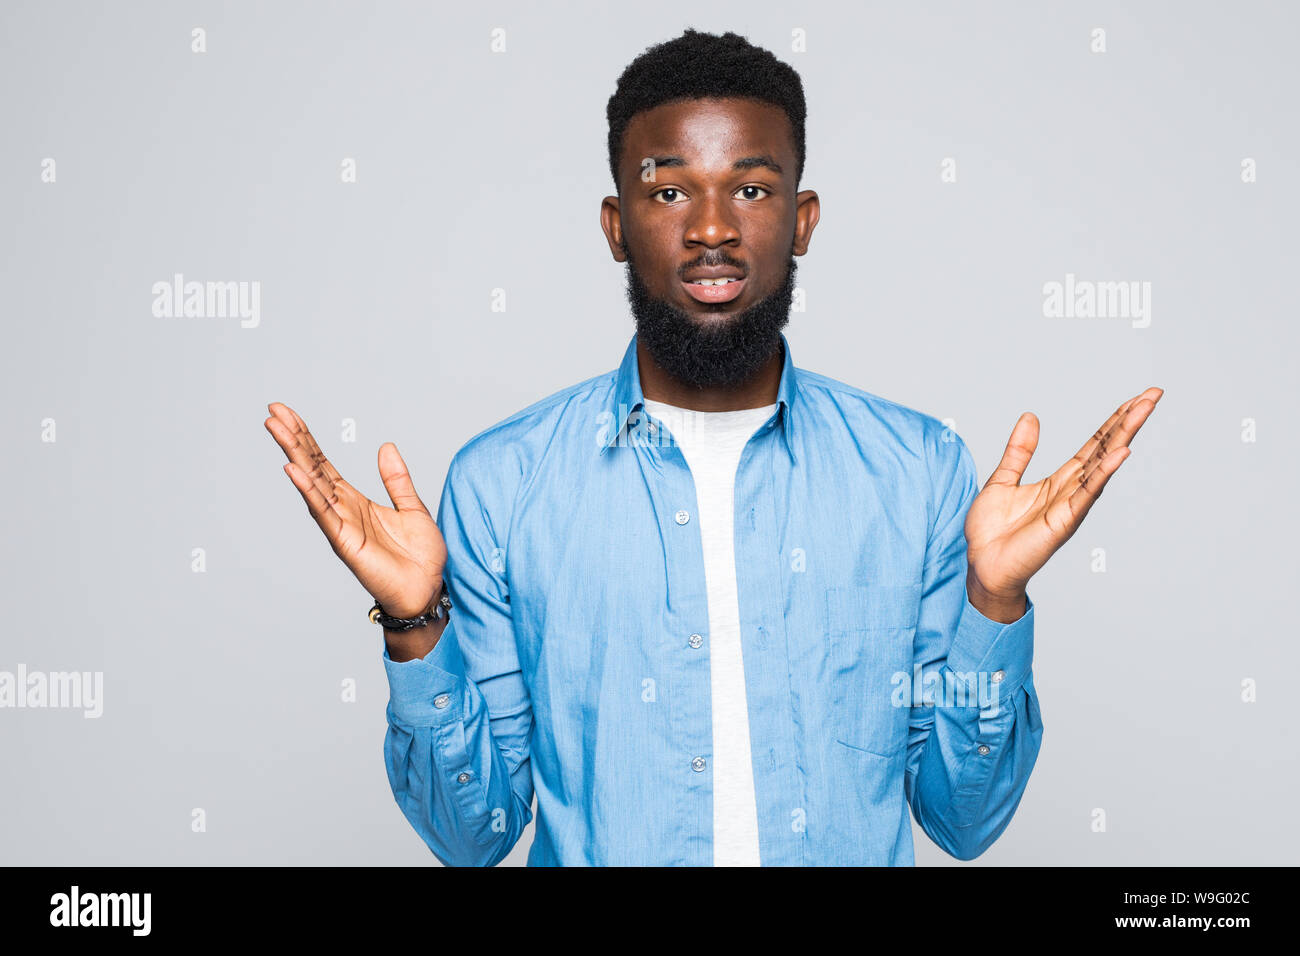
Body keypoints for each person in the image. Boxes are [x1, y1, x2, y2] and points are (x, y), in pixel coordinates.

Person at [264, 28, 1161, 866]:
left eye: (752, 188)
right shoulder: (503, 484)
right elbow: (475, 838)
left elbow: (962, 820)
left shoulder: (917, 473)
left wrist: (994, 601)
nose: (711, 229)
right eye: (667, 191)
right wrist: (418, 625)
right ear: (616, 226)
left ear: (803, 219)